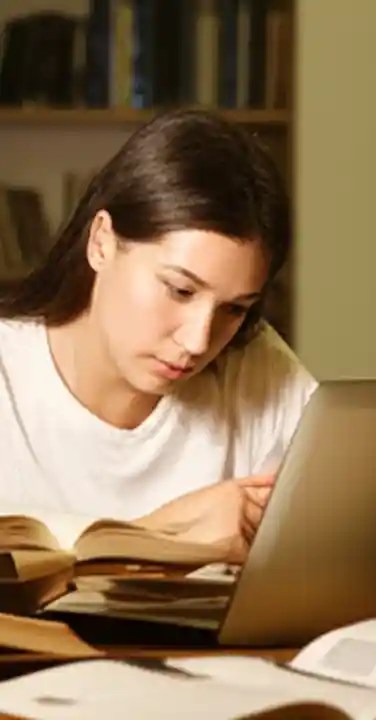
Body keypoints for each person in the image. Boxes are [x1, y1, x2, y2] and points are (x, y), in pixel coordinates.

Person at [0, 108, 315, 563]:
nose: (198, 342)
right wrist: (159, 535)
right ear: (102, 242)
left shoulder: (256, 368)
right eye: (180, 289)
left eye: (234, 309)